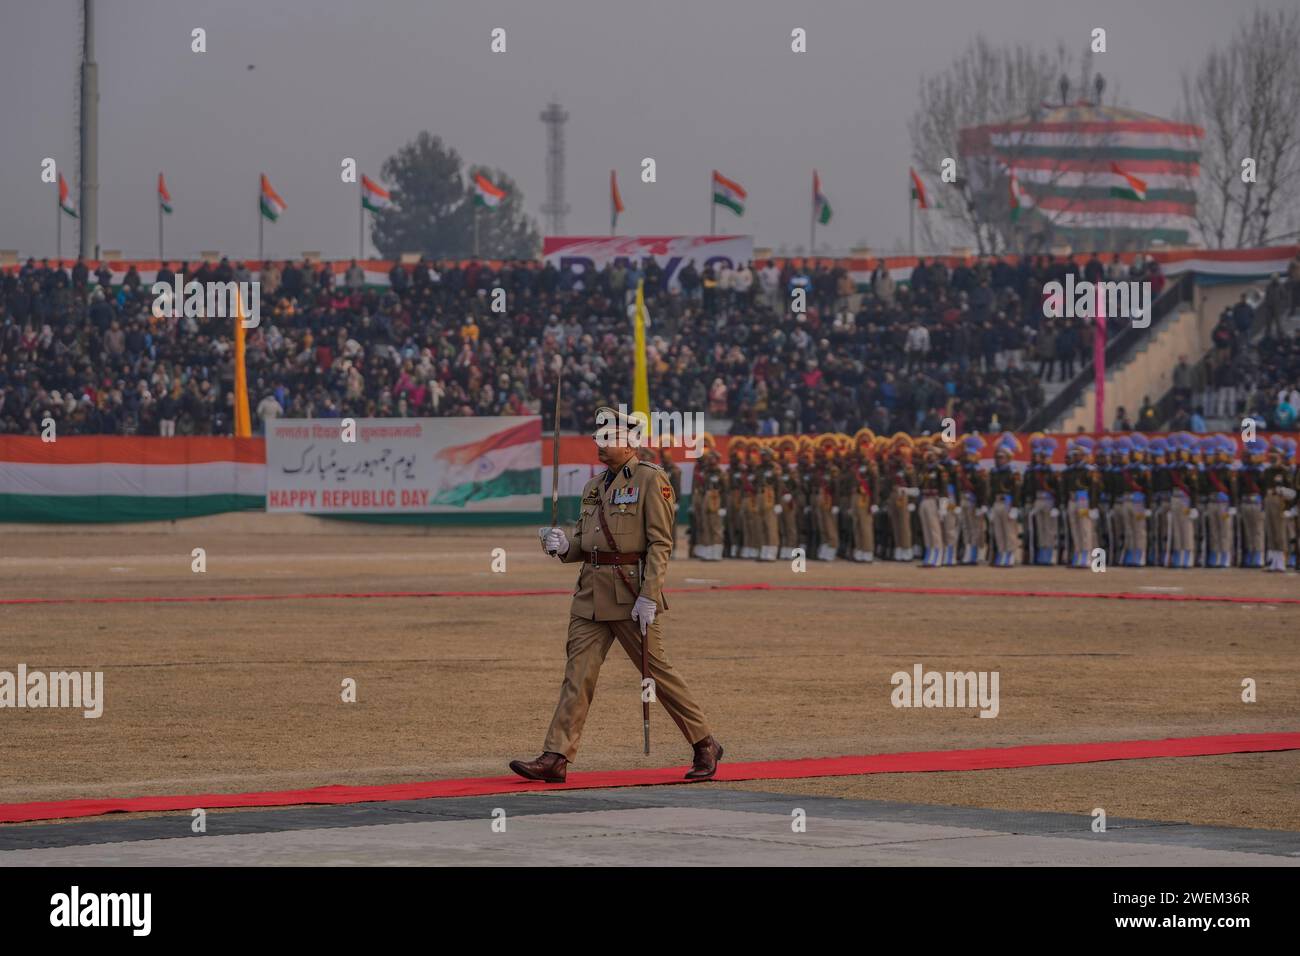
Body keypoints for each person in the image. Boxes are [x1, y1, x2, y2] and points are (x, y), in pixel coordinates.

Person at [513, 406, 723, 783]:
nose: (601, 444)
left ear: (630, 442)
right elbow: (583, 543)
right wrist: (562, 546)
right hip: (591, 594)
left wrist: (649, 595)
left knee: (656, 674)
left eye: (609, 438)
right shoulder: (593, 486)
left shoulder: (650, 480)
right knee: (577, 676)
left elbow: (661, 543)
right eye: (599, 437)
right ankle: (556, 755)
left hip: (630, 594)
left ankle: (704, 742)